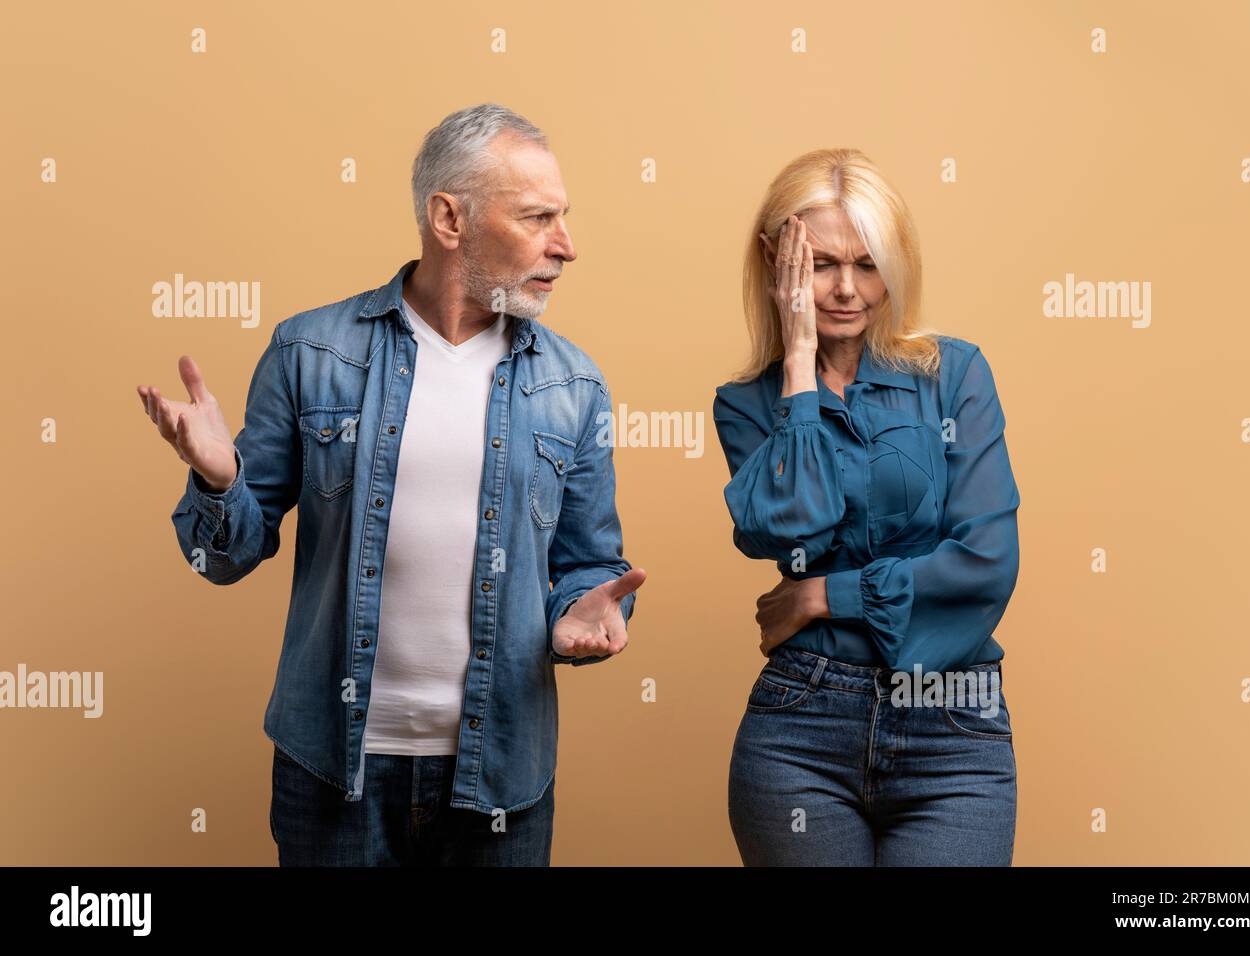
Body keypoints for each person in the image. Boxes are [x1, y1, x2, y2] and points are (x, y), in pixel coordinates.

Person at [136, 103, 647, 866]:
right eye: (538, 218)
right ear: (449, 218)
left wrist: (587, 614)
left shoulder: (573, 384)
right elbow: (224, 559)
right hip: (332, 769)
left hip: (500, 773)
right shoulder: (311, 351)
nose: (566, 246)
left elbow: (591, 563)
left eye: (562, 217)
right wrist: (218, 481)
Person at [713, 148, 1020, 866]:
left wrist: (824, 593)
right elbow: (789, 528)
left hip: (954, 724)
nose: (847, 289)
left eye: (868, 263)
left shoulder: (956, 376)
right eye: (820, 265)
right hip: (800, 731)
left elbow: (985, 564)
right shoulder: (745, 407)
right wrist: (797, 360)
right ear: (776, 263)